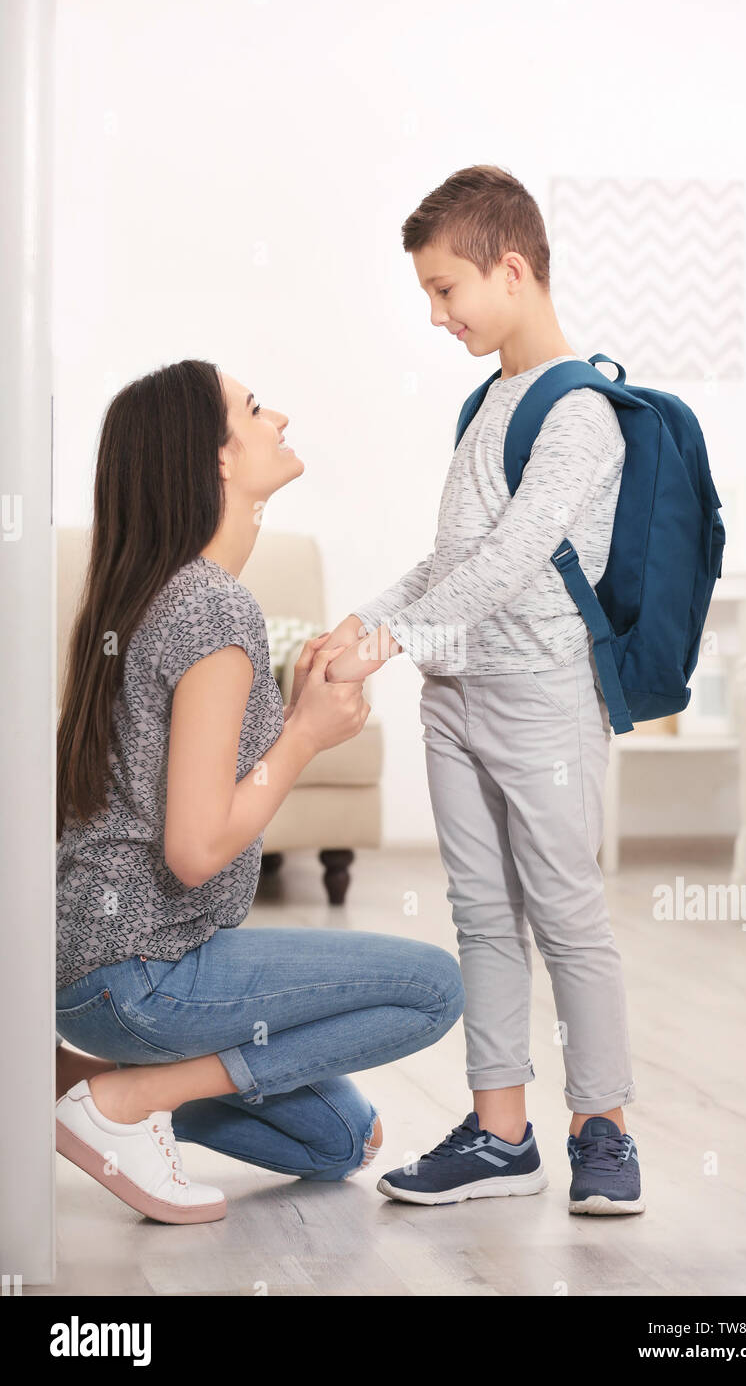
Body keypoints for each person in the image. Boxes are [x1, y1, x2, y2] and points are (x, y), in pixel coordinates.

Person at [54, 359, 464, 1225]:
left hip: (83, 980)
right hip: (145, 975)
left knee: (339, 1143)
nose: (277, 415)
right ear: (218, 461)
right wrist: (305, 735)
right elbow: (196, 851)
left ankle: (70, 1085)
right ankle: (123, 1105)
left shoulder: (147, 593)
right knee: (431, 989)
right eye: (251, 408)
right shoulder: (211, 609)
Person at [323, 164, 644, 1214]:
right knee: (481, 917)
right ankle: (500, 1133)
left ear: (511, 268)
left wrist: (393, 640)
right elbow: (450, 554)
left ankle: (604, 1128)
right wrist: (372, 622)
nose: (434, 312)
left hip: (542, 699)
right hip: (453, 697)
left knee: (566, 914)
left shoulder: (581, 412)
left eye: (445, 288)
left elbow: (509, 560)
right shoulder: (489, 398)